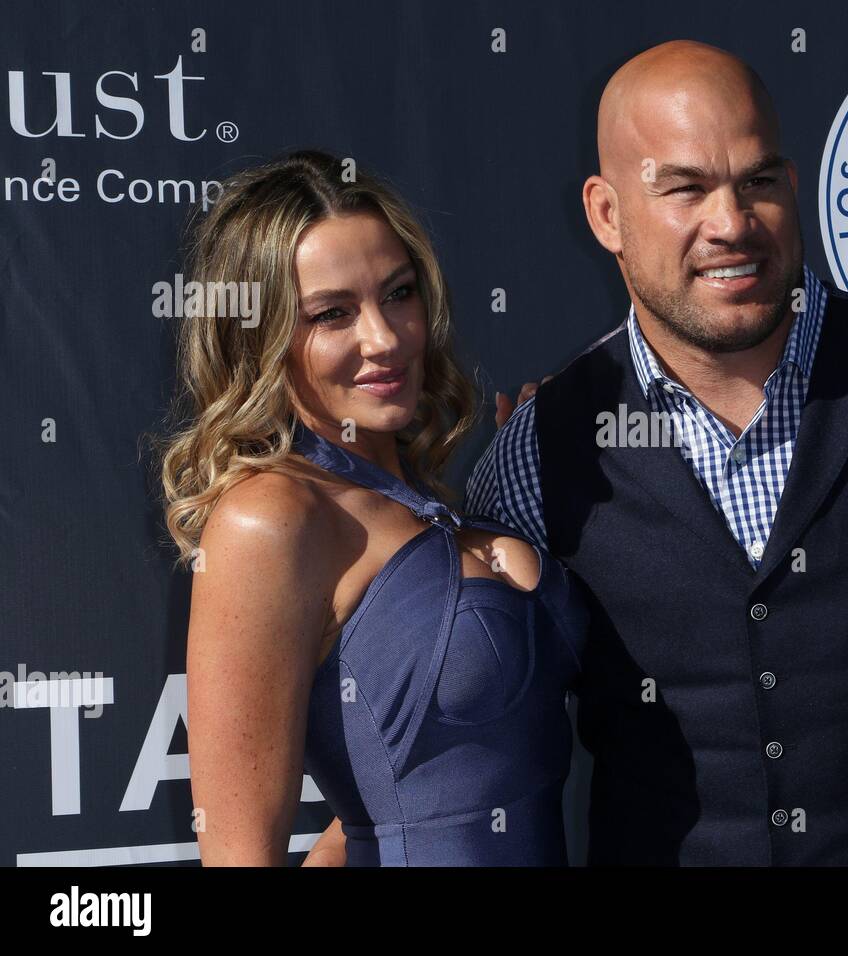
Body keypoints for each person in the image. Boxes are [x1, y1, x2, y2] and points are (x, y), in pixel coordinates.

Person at [313, 39, 848, 866]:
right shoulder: (539, 454)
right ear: (606, 214)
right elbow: (460, 746)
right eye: (686, 189)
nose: (732, 225)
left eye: (759, 182)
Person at [156, 150, 587, 866]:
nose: (385, 338)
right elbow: (239, 858)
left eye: (398, 293)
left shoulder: (428, 504)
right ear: (260, 338)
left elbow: (400, 803)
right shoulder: (272, 519)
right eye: (332, 314)